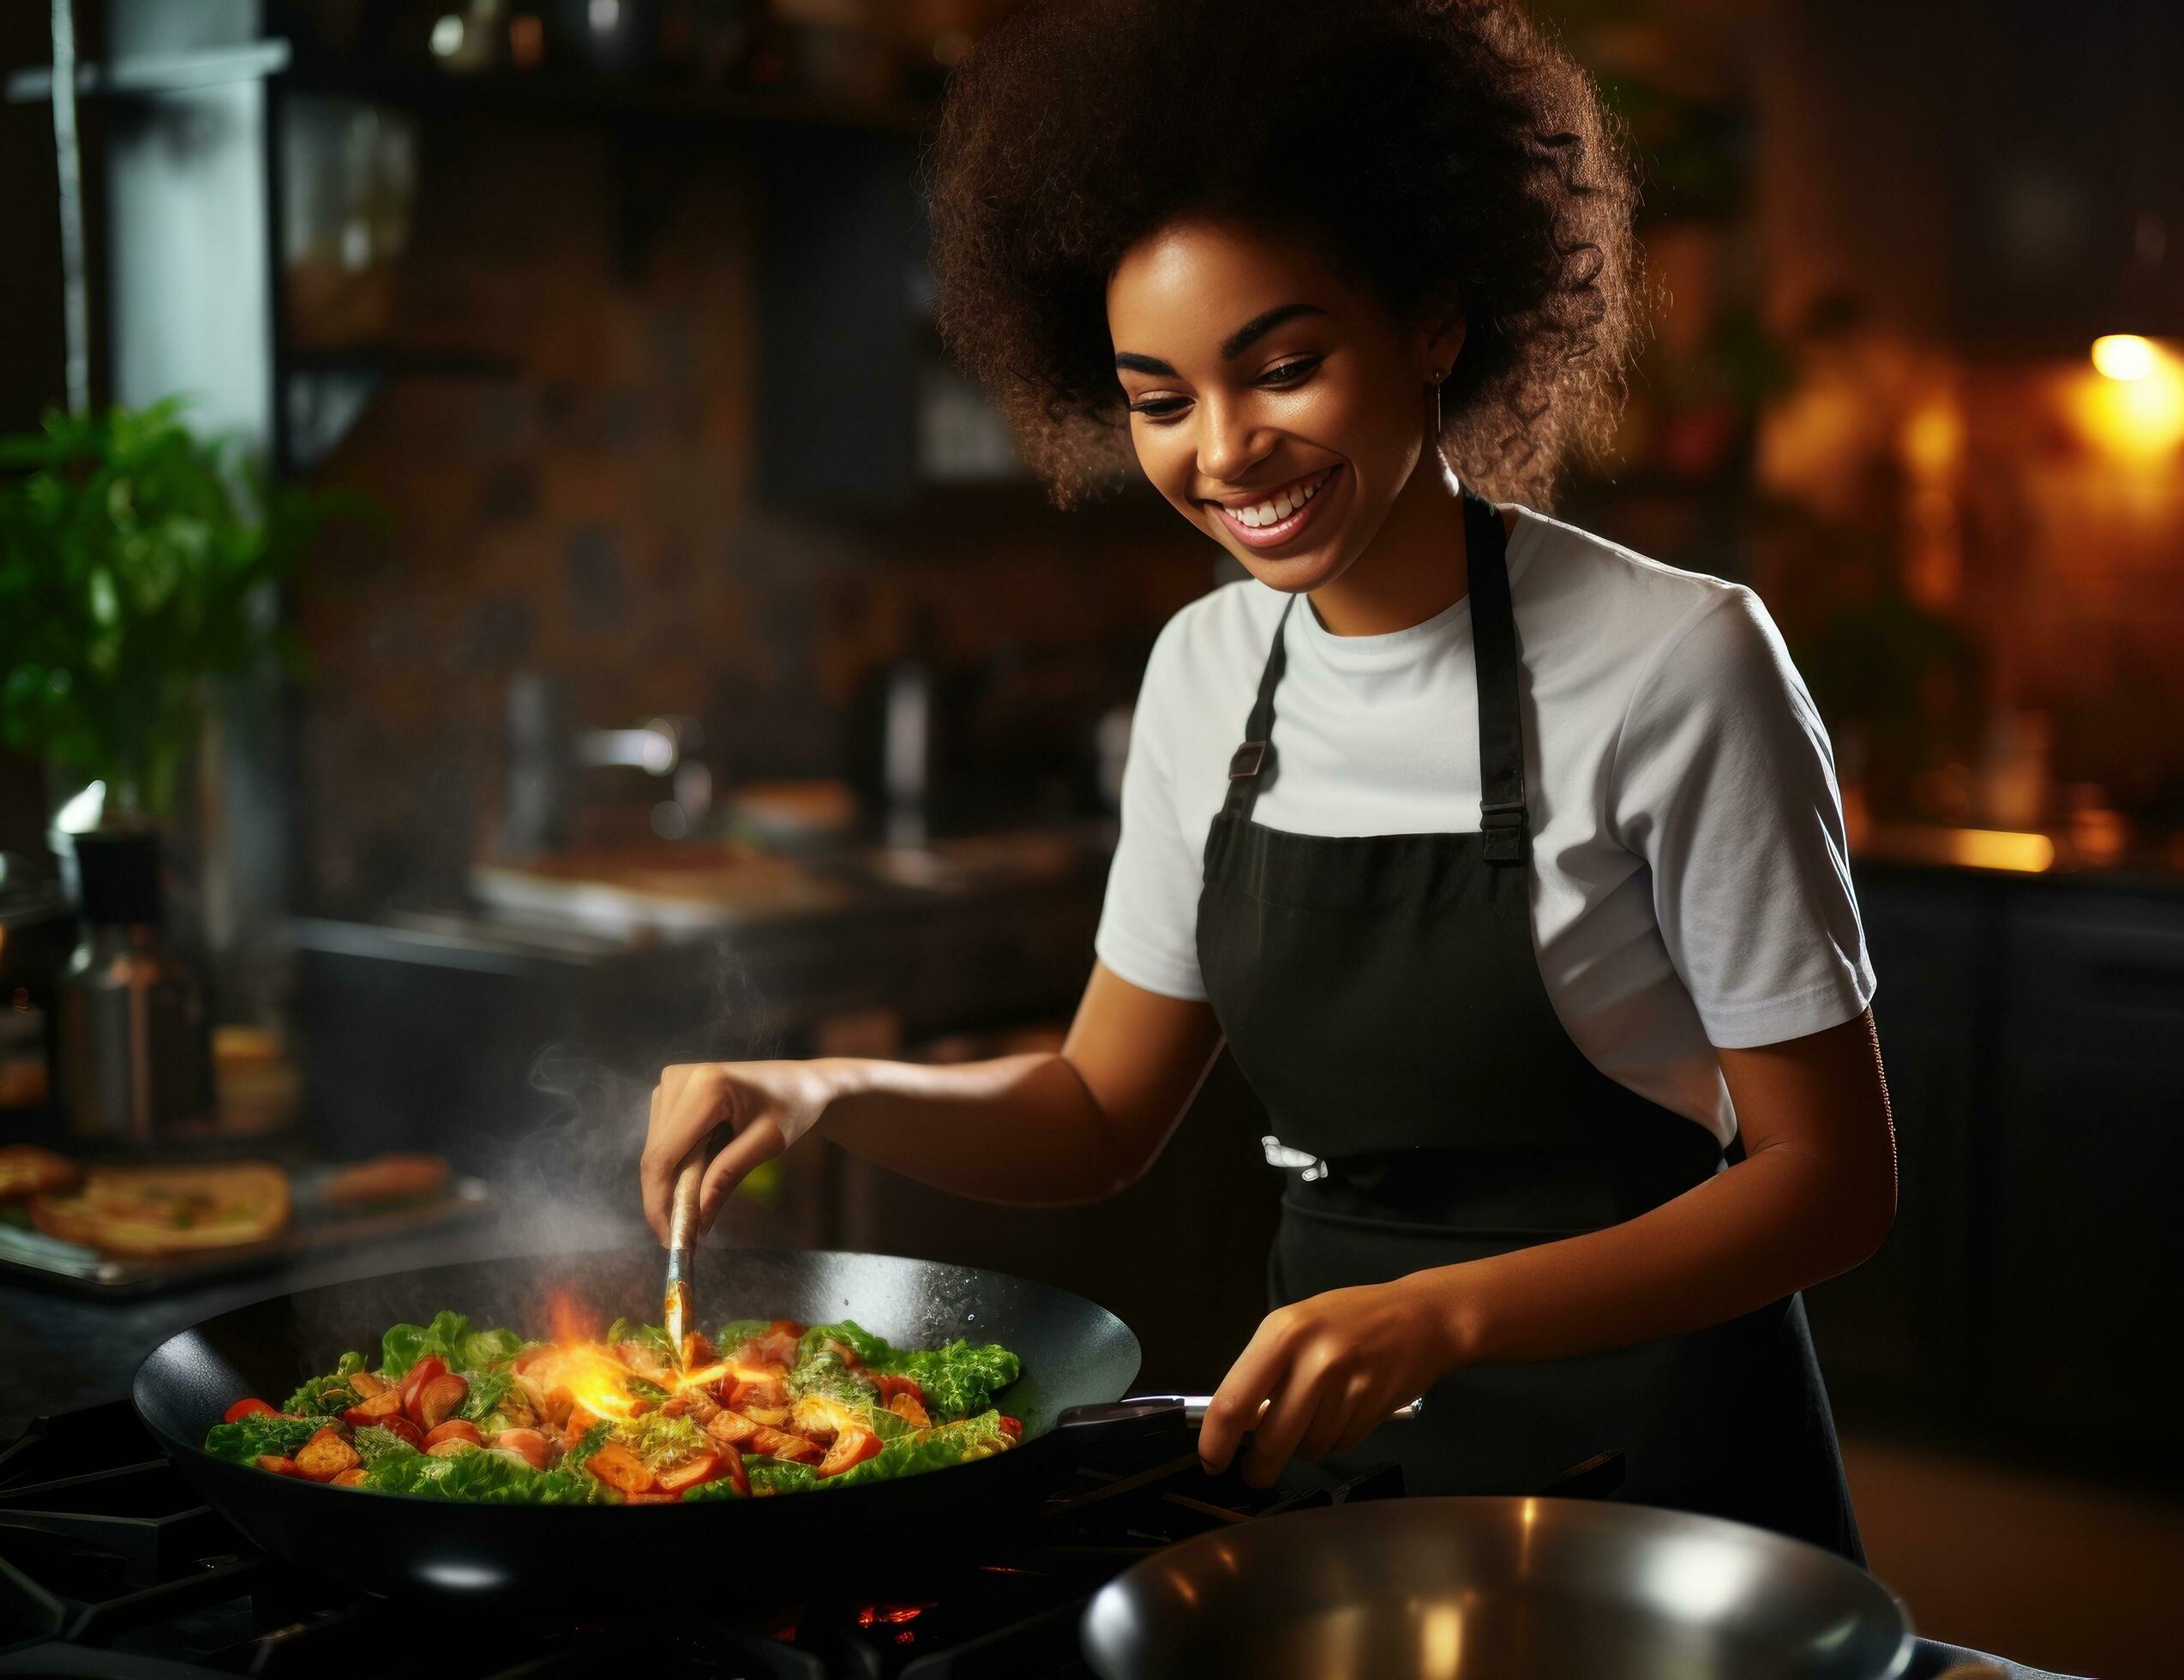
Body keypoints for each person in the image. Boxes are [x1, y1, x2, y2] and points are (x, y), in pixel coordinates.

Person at [643, 0, 1896, 1561]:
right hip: (1344, 1479)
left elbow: (1830, 1182)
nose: (1225, 452)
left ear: (1433, 320)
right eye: (1159, 399)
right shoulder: (1204, 671)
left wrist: (1443, 1315)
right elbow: (1095, 1111)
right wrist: (824, 1092)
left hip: (1661, 1490)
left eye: (1281, 367)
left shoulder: (1676, 661)